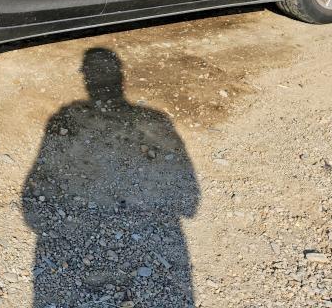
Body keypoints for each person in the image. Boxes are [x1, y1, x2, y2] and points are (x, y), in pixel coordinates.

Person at [22, 48, 199, 307]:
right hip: (146, 234)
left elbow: (37, 186)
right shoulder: (154, 120)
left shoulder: (66, 117)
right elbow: (189, 200)